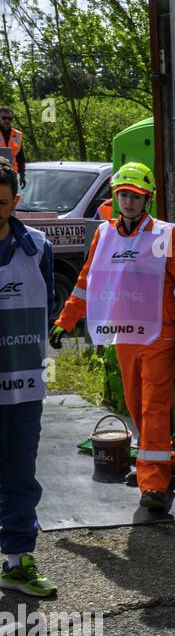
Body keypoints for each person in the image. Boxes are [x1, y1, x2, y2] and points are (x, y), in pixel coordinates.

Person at [49, 162, 175, 511]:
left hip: (159, 334)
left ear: (148, 199)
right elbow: (87, 281)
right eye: (123, 195)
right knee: (135, 402)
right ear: (115, 197)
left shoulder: (166, 234)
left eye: (136, 196)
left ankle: (153, 483)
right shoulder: (103, 235)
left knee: (153, 406)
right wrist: (66, 321)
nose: (129, 202)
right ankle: (161, 458)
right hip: (124, 335)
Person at [0, 160, 55, 596]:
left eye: (1, 202)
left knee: (20, 474)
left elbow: (47, 307)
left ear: (15, 201)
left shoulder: (37, 246)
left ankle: (16, 563)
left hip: (22, 389)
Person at [0, 108, 26, 188]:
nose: (7, 121)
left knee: (11, 200)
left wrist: (22, 175)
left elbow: (20, 157)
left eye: (10, 118)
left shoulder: (17, 135)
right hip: (0, 174)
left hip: (12, 174)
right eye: (4, 118)